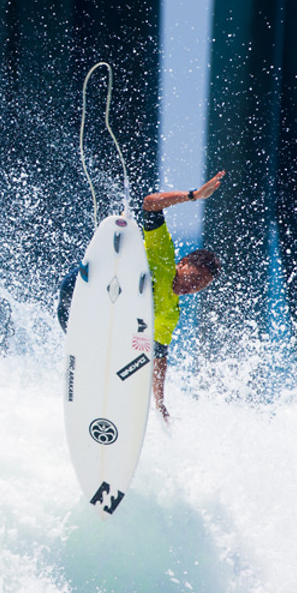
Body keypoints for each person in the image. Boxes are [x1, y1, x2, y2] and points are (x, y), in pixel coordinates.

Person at [59, 170, 224, 422]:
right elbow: (151, 204)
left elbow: (159, 356)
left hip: (100, 324)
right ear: (184, 262)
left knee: (135, 357)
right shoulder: (164, 255)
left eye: (200, 285)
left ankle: (97, 401)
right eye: (195, 276)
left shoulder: (171, 312)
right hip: (81, 290)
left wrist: (160, 403)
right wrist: (193, 195)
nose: (193, 286)